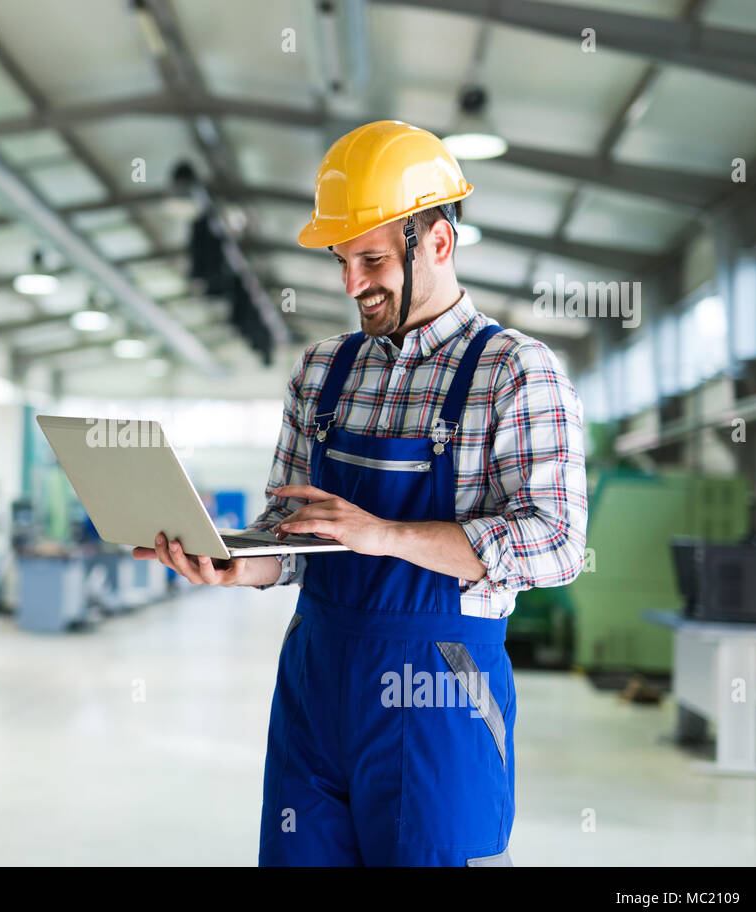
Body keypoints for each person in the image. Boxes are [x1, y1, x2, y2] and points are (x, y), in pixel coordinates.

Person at [134, 120, 588, 866]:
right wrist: (236, 562)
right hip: (317, 683)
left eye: (372, 259)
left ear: (437, 242)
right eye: (343, 260)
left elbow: (559, 545)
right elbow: (293, 536)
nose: (352, 284)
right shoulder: (321, 371)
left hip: (441, 693)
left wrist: (384, 533)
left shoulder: (516, 371)